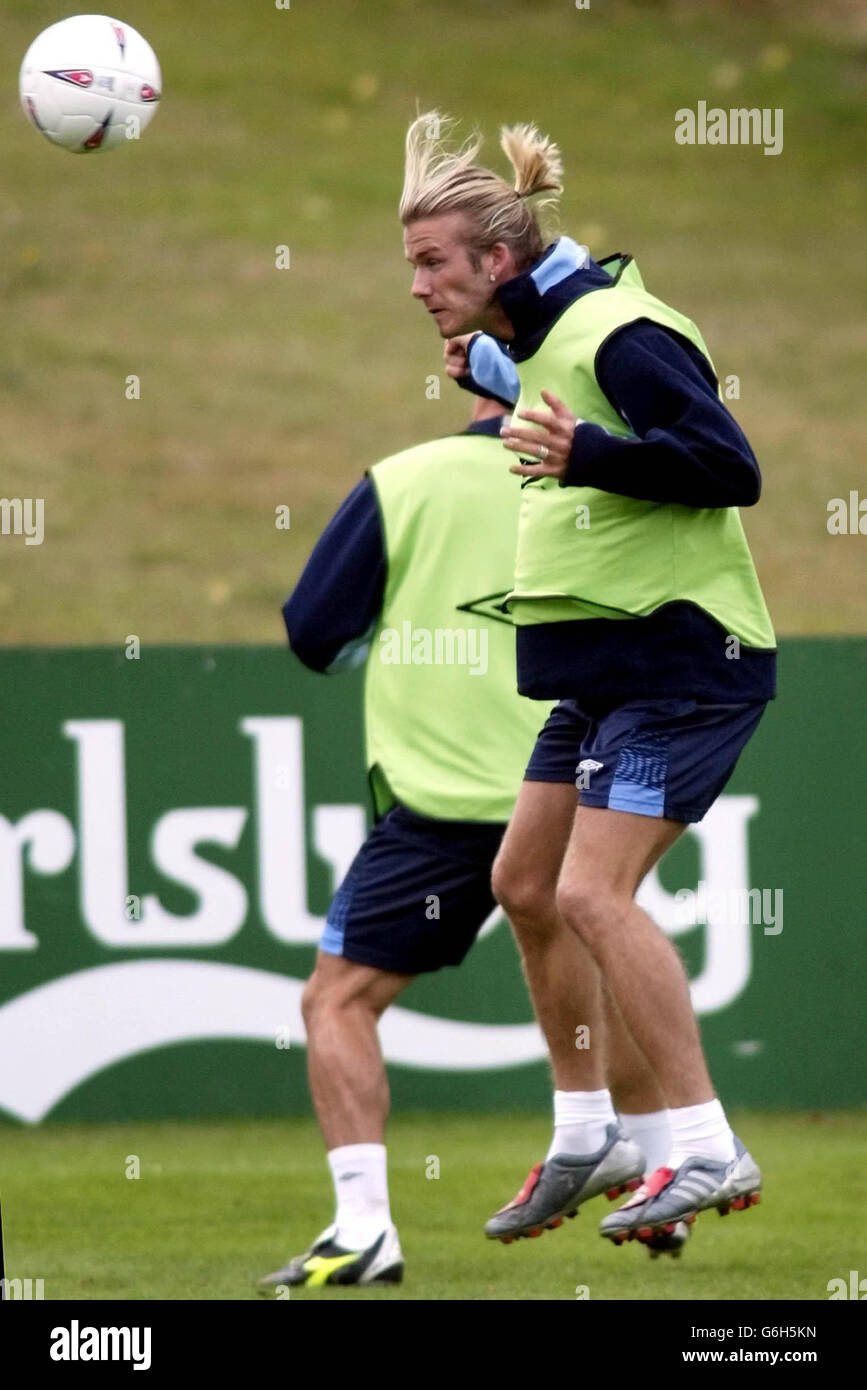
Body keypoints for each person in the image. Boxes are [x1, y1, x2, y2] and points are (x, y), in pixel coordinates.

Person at [400, 110, 775, 1248]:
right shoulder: (551, 332)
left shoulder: (618, 333)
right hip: (603, 666)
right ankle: (591, 1133)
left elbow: (731, 465)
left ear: (497, 260)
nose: (415, 285)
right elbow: (553, 373)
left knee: (590, 895)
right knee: (524, 882)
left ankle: (706, 1144)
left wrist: (588, 455)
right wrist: (500, 370)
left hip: (682, 660)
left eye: (432, 264)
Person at [256, 389, 686, 1291]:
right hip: (580, 781)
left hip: (446, 796)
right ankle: (664, 1164)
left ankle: (363, 1229)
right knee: (592, 975)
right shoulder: (609, 477)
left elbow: (316, 637)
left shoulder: (404, 481)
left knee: (336, 1001)